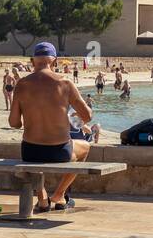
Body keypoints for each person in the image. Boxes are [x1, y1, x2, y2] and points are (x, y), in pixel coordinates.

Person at [9, 42, 92, 212]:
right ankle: (59, 194)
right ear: (55, 61)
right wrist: (71, 114)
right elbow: (87, 116)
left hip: (30, 151)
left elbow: (14, 123)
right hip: (60, 151)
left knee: (35, 161)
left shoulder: (22, 85)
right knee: (85, 147)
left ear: (33, 61)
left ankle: (42, 198)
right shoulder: (65, 83)